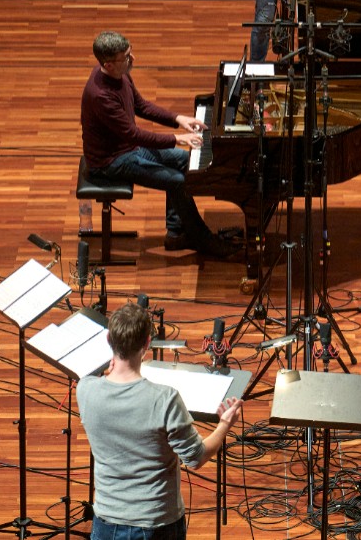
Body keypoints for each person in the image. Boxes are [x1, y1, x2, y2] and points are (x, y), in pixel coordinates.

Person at [78, 302, 242, 540]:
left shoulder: (85, 390)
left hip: (106, 522)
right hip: (156, 524)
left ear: (109, 340)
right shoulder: (164, 399)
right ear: (147, 343)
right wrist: (224, 425)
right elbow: (196, 457)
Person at [81, 30, 234, 258]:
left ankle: (175, 232)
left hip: (127, 148)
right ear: (108, 64)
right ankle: (202, 239)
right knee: (178, 182)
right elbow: (133, 135)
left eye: (130, 53)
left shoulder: (120, 75)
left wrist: (178, 119)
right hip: (110, 161)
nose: (133, 59)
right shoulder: (101, 96)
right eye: (126, 57)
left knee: (186, 160)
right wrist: (176, 138)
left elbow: (141, 105)